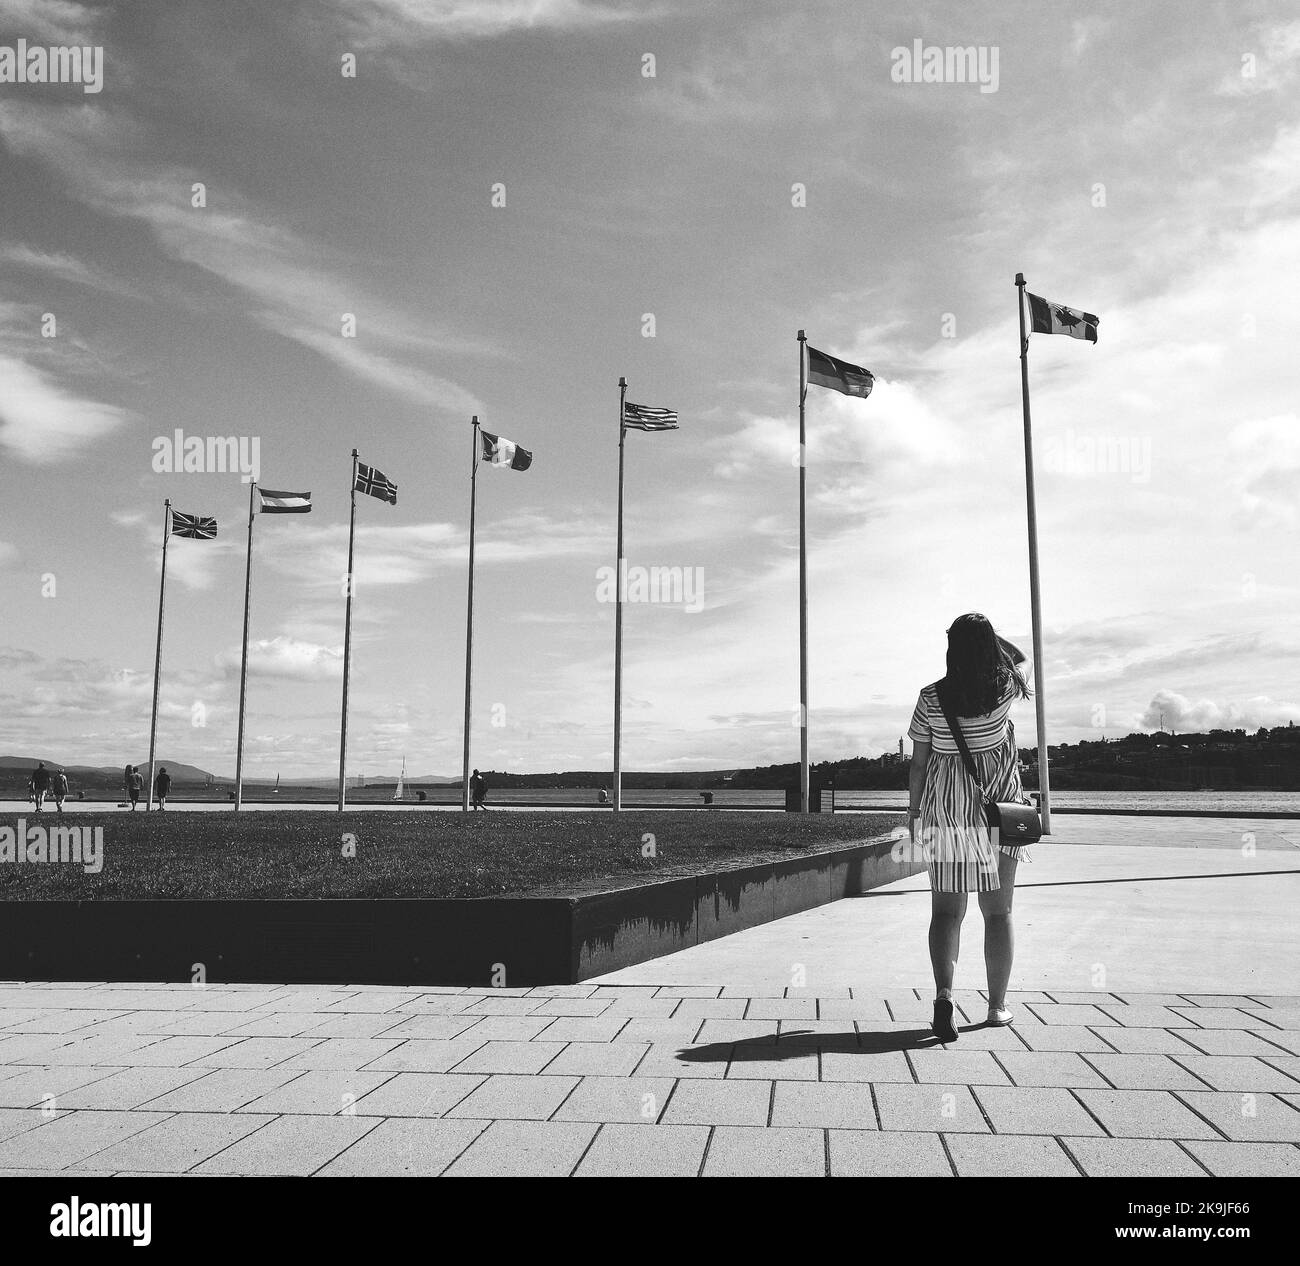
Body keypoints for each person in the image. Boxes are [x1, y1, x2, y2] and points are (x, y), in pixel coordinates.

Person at [907, 614, 1033, 1041]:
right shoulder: (1003, 689)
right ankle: (997, 1007)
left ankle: (945, 996)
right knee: (998, 911)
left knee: (946, 912)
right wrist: (984, 637)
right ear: (987, 648)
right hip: (997, 809)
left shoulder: (930, 698)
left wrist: (913, 811)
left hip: (947, 807)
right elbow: (1021, 657)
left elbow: (920, 762)